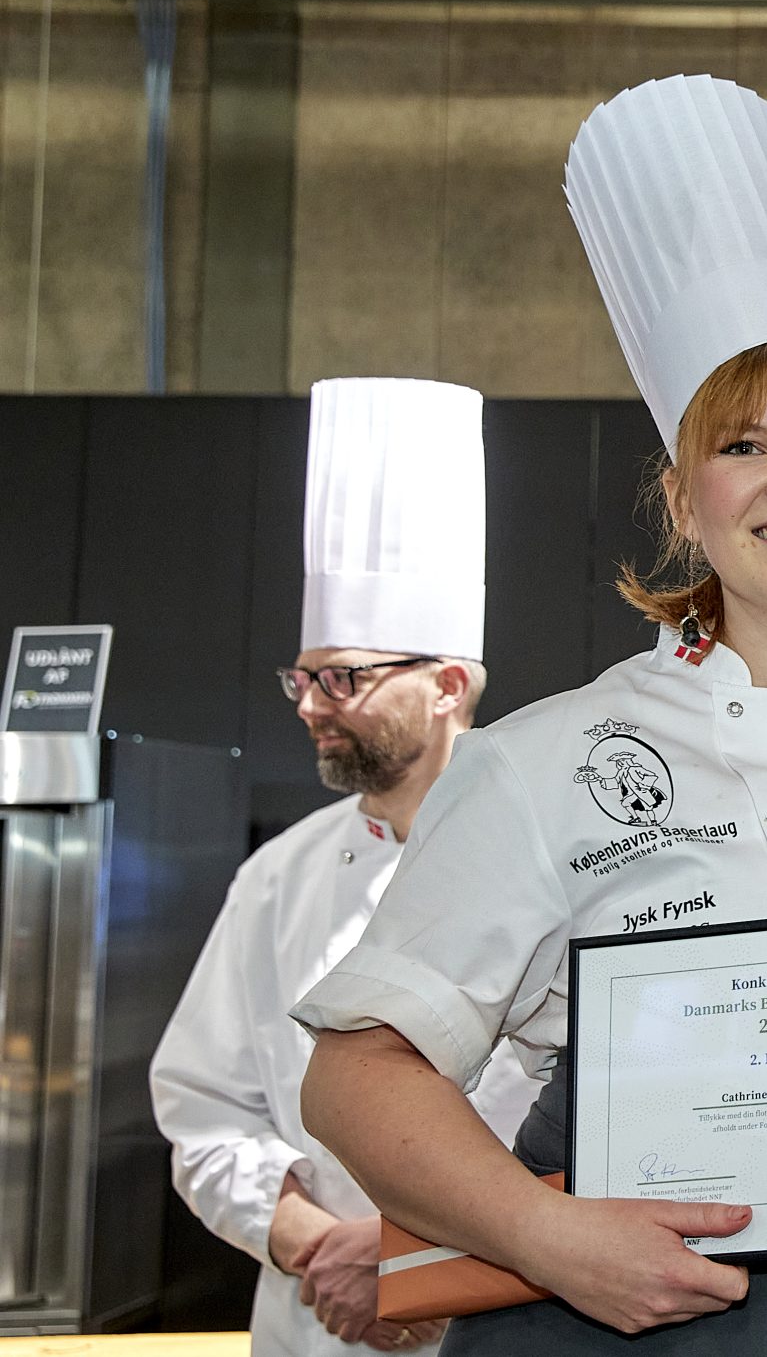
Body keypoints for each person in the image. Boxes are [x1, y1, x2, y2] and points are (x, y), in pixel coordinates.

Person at [292, 75, 767, 1354]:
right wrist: (547, 1234)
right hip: (614, 1306)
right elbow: (355, 1073)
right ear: (684, 499)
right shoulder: (549, 757)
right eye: (740, 446)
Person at [154, 378, 539, 1356]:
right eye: (304, 674)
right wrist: (315, 1245)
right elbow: (204, 1113)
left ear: (447, 683)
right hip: (314, 1325)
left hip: (504, 1316)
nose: (309, 702)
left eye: (345, 677)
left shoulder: (555, 864)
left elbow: (579, 1121)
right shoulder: (278, 878)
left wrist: (411, 1252)